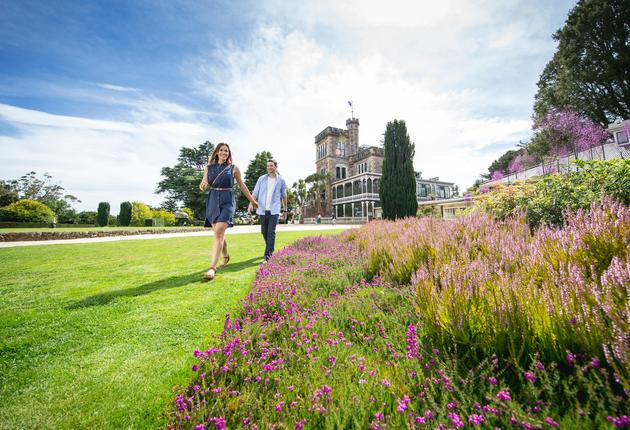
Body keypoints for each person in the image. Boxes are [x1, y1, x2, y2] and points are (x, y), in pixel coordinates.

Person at [199, 142, 258, 280]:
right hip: (213, 200)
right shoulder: (208, 168)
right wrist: (203, 185)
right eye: (222, 150)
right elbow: (203, 185)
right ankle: (225, 256)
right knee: (218, 233)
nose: (224, 153)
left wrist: (252, 200)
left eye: (227, 151)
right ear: (217, 152)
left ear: (229, 154)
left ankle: (212, 269)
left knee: (219, 233)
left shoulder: (233, 168)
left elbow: (242, 186)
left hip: (227, 200)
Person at [248, 159, 287, 262]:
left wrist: (285, 209)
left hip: (274, 210)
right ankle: (269, 247)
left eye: (271, 165)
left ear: (275, 167)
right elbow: (255, 192)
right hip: (262, 209)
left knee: (271, 232)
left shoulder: (281, 180)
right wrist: (251, 203)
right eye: (268, 166)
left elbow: (284, 196)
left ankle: (268, 256)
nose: (269, 167)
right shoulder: (261, 179)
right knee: (264, 232)